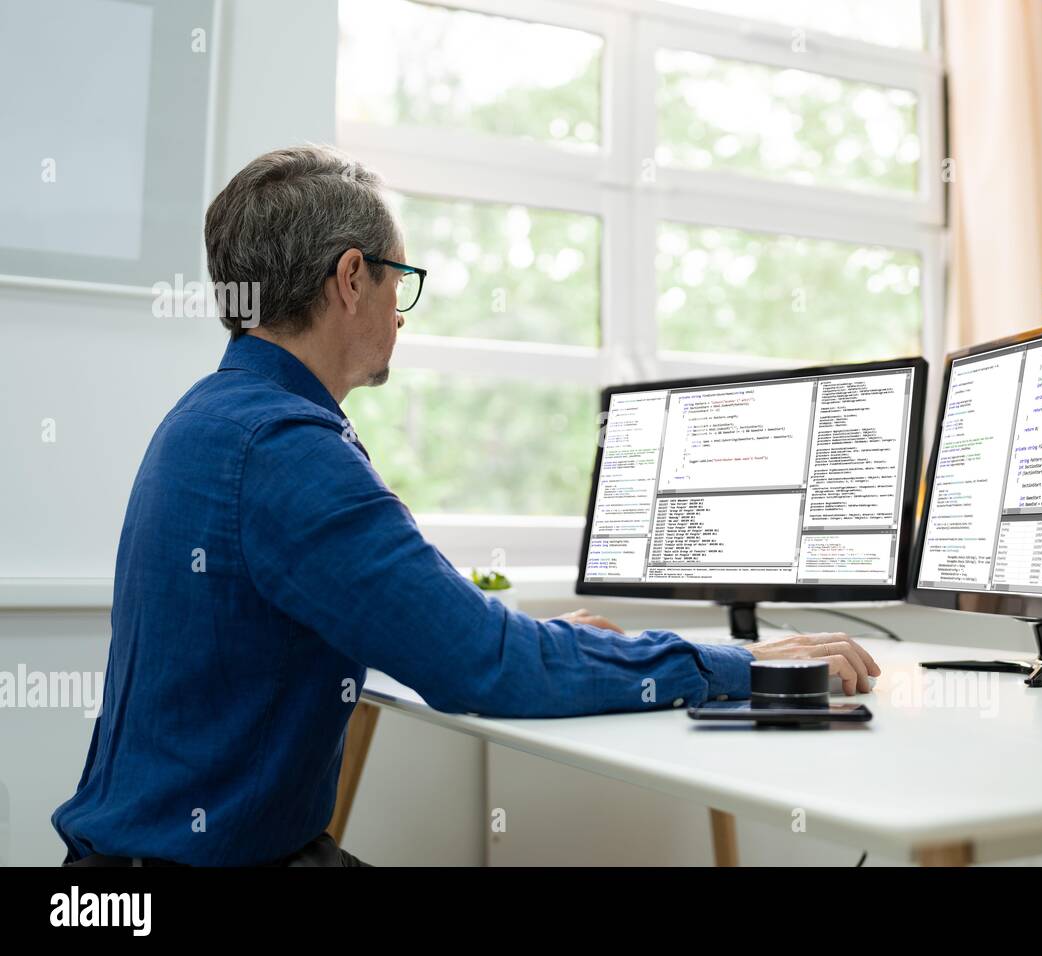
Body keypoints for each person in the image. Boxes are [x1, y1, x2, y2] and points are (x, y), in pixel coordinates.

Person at [52, 145, 880, 866]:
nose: (401, 317)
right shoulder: (286, 450)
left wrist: (534, 640)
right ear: (351, 278)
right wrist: (749, 664)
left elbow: (432, 624)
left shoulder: (207, 419)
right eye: (399, 282)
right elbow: (482, 665)